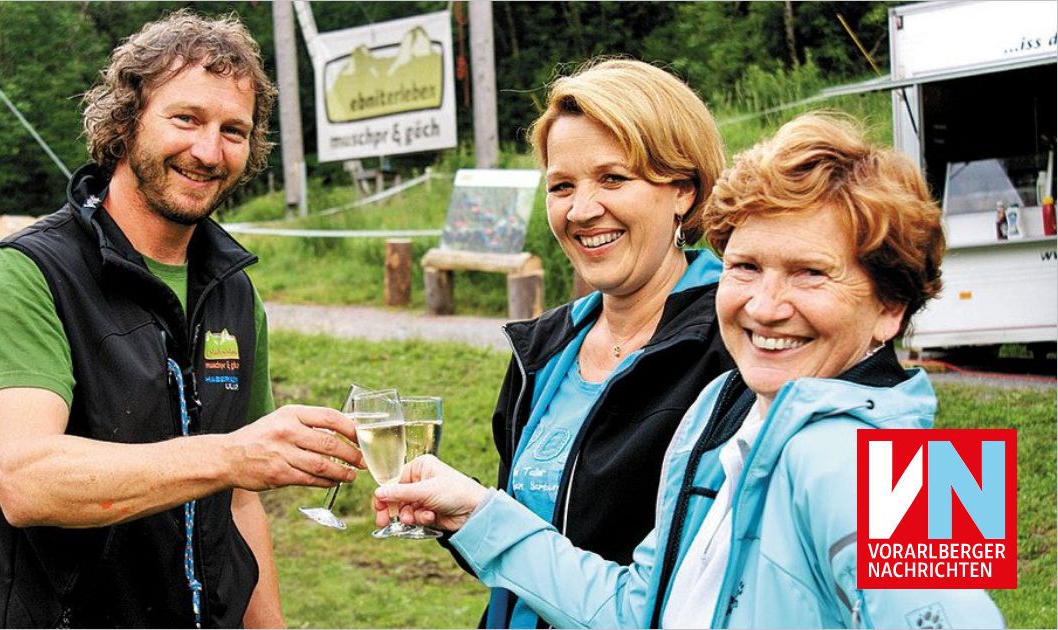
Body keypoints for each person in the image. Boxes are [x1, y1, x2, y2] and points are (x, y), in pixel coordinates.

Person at [374, 113, 1005, 628]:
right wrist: (476, 512)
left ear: (890, 307)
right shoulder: (725, 409)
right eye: (746, 266)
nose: (763, 306)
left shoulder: (917, 463)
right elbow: (636, 610)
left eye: (811, 272)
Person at [0, 10, 363, 628]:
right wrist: (229, 455)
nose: (209, 150)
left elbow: (240, 500)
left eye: (234, 130)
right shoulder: (27, 275)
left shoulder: (232, 290)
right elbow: (26, 479)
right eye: (186, 119)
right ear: (125, 122)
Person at [439, 58, 732, 628]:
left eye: (613, 178)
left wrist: (479, 514)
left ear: (684, 191)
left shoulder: (737, 346)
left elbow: (659, 605)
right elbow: (528, 547)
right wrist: (459, 514)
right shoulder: (546, 349)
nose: (582, 210)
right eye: (562, 186)